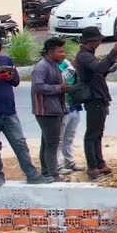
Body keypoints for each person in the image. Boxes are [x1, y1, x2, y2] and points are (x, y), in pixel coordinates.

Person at [0, 32, 50, 186]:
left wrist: (11, 77)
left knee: (20, 143)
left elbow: (16, 82)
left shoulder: (6, 60)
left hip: (9, 111)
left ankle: (32, 174)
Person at [75, 27, 117, 180]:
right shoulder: (84, 56)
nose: (99, 43)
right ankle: (93, 166)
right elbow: (98, 68)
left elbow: (99, 71)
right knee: (92, 134)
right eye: (97, 40)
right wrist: (114, 52)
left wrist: (109, 69)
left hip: (98, 97)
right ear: (90, 42)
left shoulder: (88, 55)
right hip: (94, 98)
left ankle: (100, 163)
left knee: (97, 133)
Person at [31, 38, 70, 181]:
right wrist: (59, 88)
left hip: (55, 109)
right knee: (52, 144)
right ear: (50, 52)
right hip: (46, 111)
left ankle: (47, 172)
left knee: (47, 143)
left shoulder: (54, 65)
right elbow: (38, 87)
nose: (63, 54)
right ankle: (53, 175)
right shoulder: (42, 67)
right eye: (60, 51)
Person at [57, 53, 83, 174]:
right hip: (62, 107)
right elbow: (62, 80)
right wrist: (73, 68)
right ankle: (57, 166)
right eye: (60, 51)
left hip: (73, 105)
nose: (63, 54)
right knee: (59, 139)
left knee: (69, 137)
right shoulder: (54, 66)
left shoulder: (66, 63)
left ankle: (69, 162)